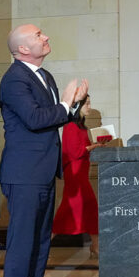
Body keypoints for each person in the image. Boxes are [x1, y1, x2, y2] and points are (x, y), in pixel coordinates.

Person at [0, 24, 87, 277]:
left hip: (44, 172)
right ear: (22, 49)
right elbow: (36, 119)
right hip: (23, 174)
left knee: (39, 244)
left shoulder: (44, 76)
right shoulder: (14, 80)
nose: (46, 37)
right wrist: (65, 104)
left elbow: (55, 115)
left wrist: (76, 107)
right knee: (22, 245)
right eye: (38, 35)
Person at [53, 95, 101, 258]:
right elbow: (73, 152)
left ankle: (95, 246)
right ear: (77, 107)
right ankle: (42, 246)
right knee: (69, 211)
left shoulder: (81, 127)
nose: (89, 106)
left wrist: (94, 146)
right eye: (86, 104)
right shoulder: (70, 126)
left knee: (90, 209)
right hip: (74, 175)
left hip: (82, 173)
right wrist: (93, 146)